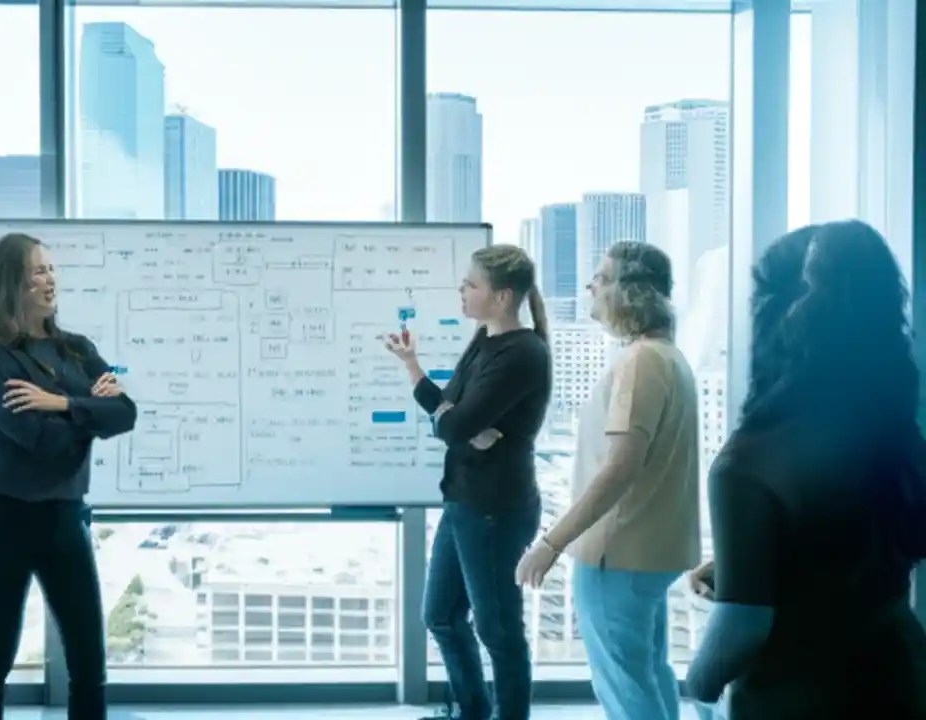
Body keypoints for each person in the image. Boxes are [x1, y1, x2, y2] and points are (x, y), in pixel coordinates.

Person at [685, 221, 926, 718]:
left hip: (795, 697)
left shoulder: (749, 462)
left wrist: (698, 684)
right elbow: (862, 544)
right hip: (900, 678)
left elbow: (740, 629)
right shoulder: (896, 431)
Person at [515, 241, 699, 720]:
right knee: (648, 676)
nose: (590, 286)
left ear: (630, 291)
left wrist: (550, 543)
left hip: (616, 552)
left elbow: (620, 466)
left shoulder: (640, 363)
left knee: (625, 690)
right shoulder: (668, 357)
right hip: (651, 551)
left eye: (601, 276)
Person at [0, 232, 136, 720]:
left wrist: (60, 403)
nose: (49, 279)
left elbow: (125, 413)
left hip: (64, 518)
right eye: (38, 271)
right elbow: (40, 441)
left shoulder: (77, 350)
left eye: (51, 269)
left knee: (88, 660)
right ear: (11, 282)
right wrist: (90, 413)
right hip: (3, 522)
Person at [384, 244, 552, 720]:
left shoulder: (523, 353)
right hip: (463, 501)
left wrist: (457, 423)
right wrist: (414, 367)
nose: (462, 290)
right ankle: (472, 712)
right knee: (439, 615)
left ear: (502, 296)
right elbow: (453, 413)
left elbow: (452, 424)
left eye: (471, 284)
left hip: (496, 509)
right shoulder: (484, 339)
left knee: (498, 631)